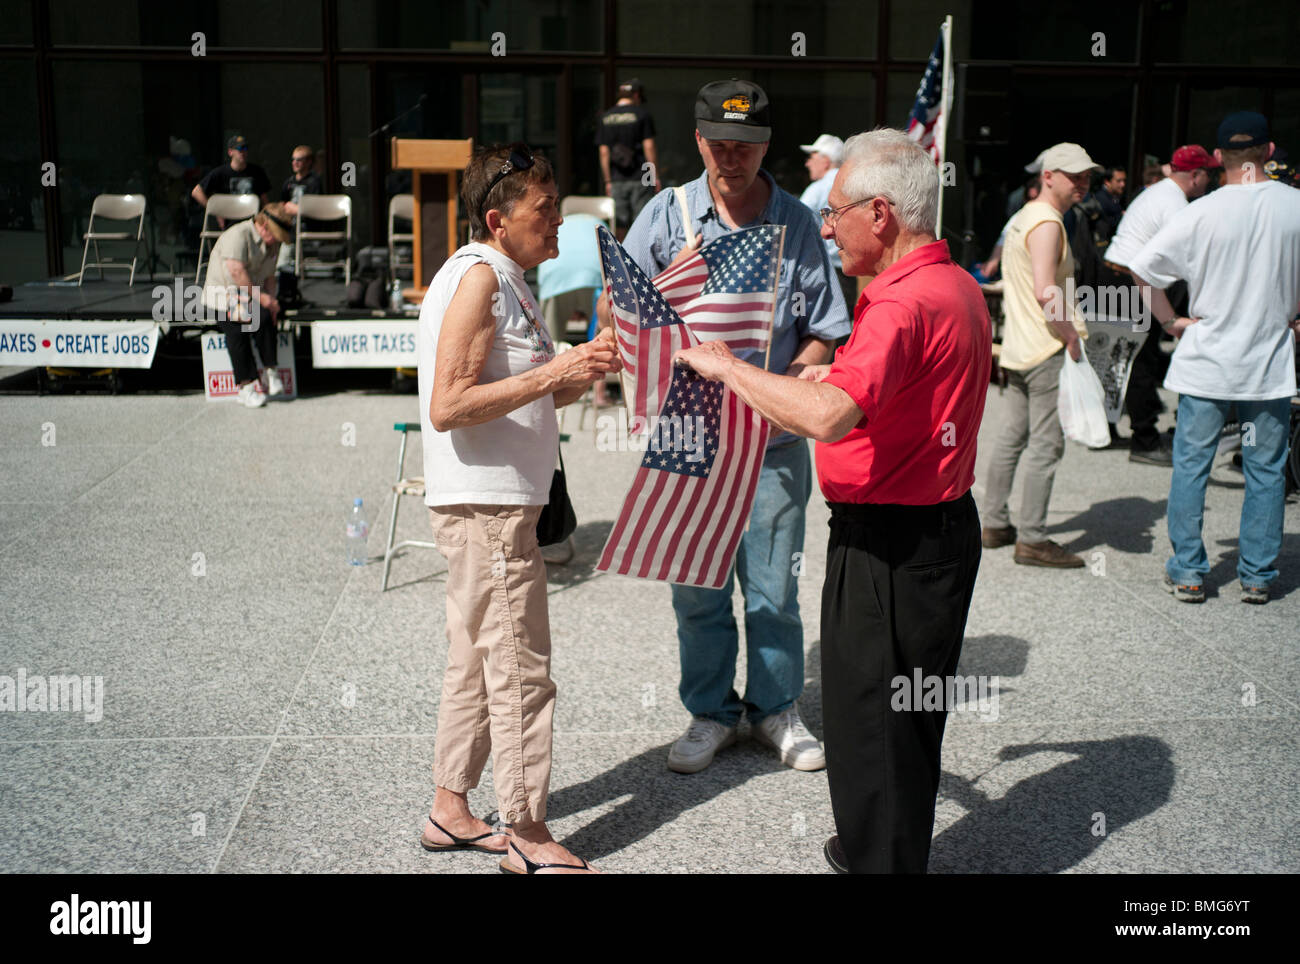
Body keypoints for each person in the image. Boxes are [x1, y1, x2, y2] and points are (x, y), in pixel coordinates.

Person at [674, 128, 991, 873]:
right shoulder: (955, 284)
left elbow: (827, 418)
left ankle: (879, 859)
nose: (824, 224)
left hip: (892, 545)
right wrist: (825, 379)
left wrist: (728, 368)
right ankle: (882, 846)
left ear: (880, 214)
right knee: (904, 715)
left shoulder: (899, 304)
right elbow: (889, 392)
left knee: (870, 720)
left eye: (836, 210)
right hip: (935, 532)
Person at [622, 78, 851, 775]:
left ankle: (777, 709)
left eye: (747, 144)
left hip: (774, 444)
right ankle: (711, 712)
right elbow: (622, 310)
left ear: (766, 145)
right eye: (719, 143)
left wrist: (805, 372)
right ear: (696, 140)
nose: (732, 156)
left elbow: (825, 331)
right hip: (689, 441)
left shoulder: (797, 223)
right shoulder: (665, 217)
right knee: (695, 588)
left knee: (775, 590)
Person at [416, 143, 621, 874]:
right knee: (522, 669)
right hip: (489, 509)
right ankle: (528, 835)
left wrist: (579, 368)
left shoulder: (500, 276)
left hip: (495, 504)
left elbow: (521, 389)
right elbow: (449, 405)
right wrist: (561, 369)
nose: (559, 221)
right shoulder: (480, 279)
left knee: (475, 659)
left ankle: (451, 808)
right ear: (498, 218)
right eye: (546, 209)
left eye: (559, 205)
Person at [1127, 112, 1300, 605]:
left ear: (1219, 157)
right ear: (1269, 152)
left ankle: (1187, 571)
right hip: (1268, 363)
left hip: (1206, 360)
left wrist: (1169, 321)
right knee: (1266, 470)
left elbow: (1142, 270)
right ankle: (1258, 575)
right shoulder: (1295, 206)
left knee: (1192, 465)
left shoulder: (1200, 212)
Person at [979, 142, 1094, 568]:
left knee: (1012, 438)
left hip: (1019, 347)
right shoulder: (1048, 222)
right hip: (1045, 348)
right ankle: (1032, 538)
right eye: (1073, 175)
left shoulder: (1024, 217)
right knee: (1046, 445)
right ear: (1048, 176)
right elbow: (1047, 290)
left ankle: (993, 524)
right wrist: (1070, 336)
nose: (1082, 182)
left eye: (1086, 175)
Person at [1104, 144, 1219, 465]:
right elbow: (1185, 257)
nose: (1209, 181)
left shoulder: (1160, 193)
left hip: (1122, 277)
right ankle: (1144, 441)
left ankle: (1125, 427)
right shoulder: (1174, 204)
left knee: (1140, 356)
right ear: (1194, 175)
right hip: (1130, 281)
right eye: (1207, 174)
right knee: (1140, 359)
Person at [200, 202, 293, 408]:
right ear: (264, 226)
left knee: (267, 316)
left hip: (250, 294)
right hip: (225, 294)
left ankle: (270, 369)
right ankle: (246, 386)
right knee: (238, 330)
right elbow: (236, 272)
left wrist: (271, 300)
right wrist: (262, 299)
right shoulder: (239, 234)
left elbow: (270, 276)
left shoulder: (272, 243)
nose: (277, 240)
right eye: (276, 234)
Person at [597, 79, 659, 240]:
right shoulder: (642, 114)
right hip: (642, 177)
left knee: (620, 224)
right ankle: (642, 261)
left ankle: (620, 260)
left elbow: (604, 152)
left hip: (617, 179)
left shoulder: (606, 117)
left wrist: (608, 181)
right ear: (637, 95)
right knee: (643, 222)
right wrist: (653, 176)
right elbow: (649, 147)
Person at [799, 133, 854, 306]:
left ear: (826, 160)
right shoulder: (853, 183)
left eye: (812, 157)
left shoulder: (817, 189)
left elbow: (796, 224)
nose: (807, 163)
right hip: (848, 270)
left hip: (825, 271)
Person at [276, 145, 324, 308]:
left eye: (299, 159)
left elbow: (316, 208)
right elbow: (283, 206)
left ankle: (291, 291)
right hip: (289, 229)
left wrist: (297, 209)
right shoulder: (288, 182)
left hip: (308, 229)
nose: (295, 163)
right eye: (293, 160)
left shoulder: (314, 181)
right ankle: (285, 292)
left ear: (309, 162)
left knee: (288, 255)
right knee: (282, 255)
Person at [191, 134, 271, 209]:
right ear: (230, 152)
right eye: (240, 149)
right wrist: (214, 211)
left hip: (252, 219)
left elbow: (264, 199)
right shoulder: (220, 172)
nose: (243, 152)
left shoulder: (257, 171)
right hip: (230, 220)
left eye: (245, 148)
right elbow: (196, 192)